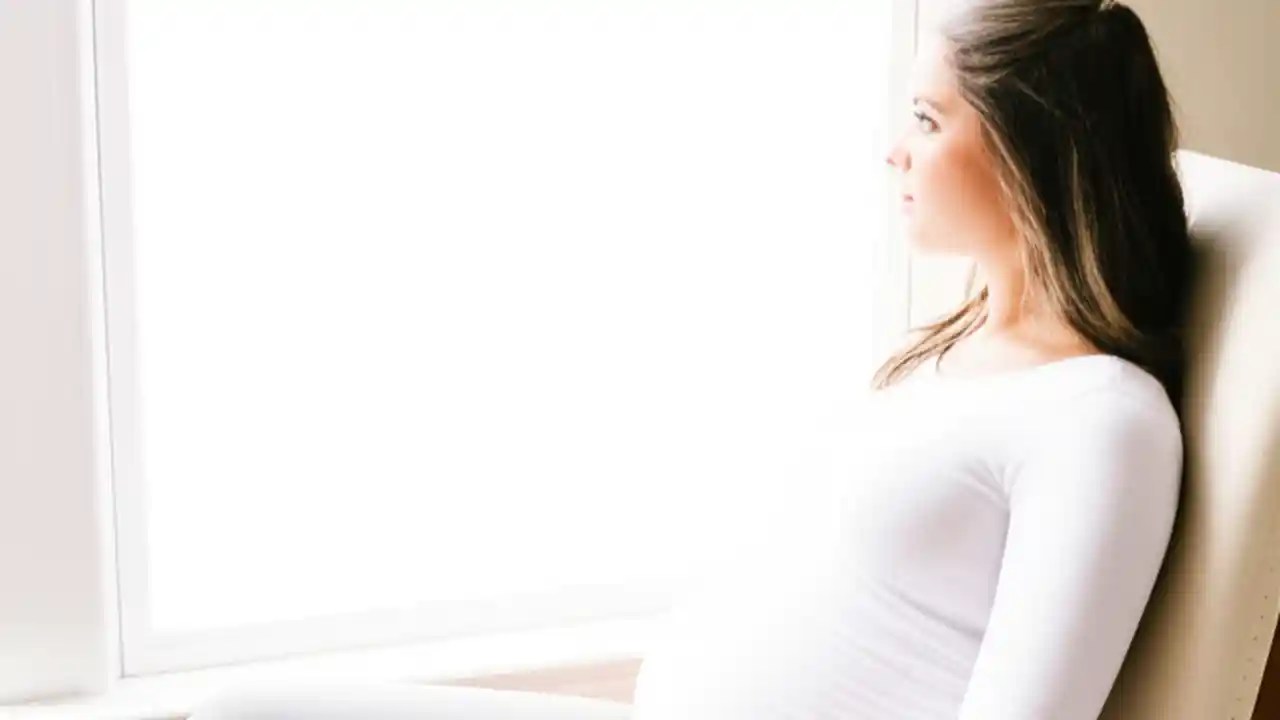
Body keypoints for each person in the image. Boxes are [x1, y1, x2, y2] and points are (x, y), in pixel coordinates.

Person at [628, 0, 1190, 718]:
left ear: (1031, 148)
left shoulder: (1103, 421)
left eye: (927, 119)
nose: (894, 150)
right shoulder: (956, 350)